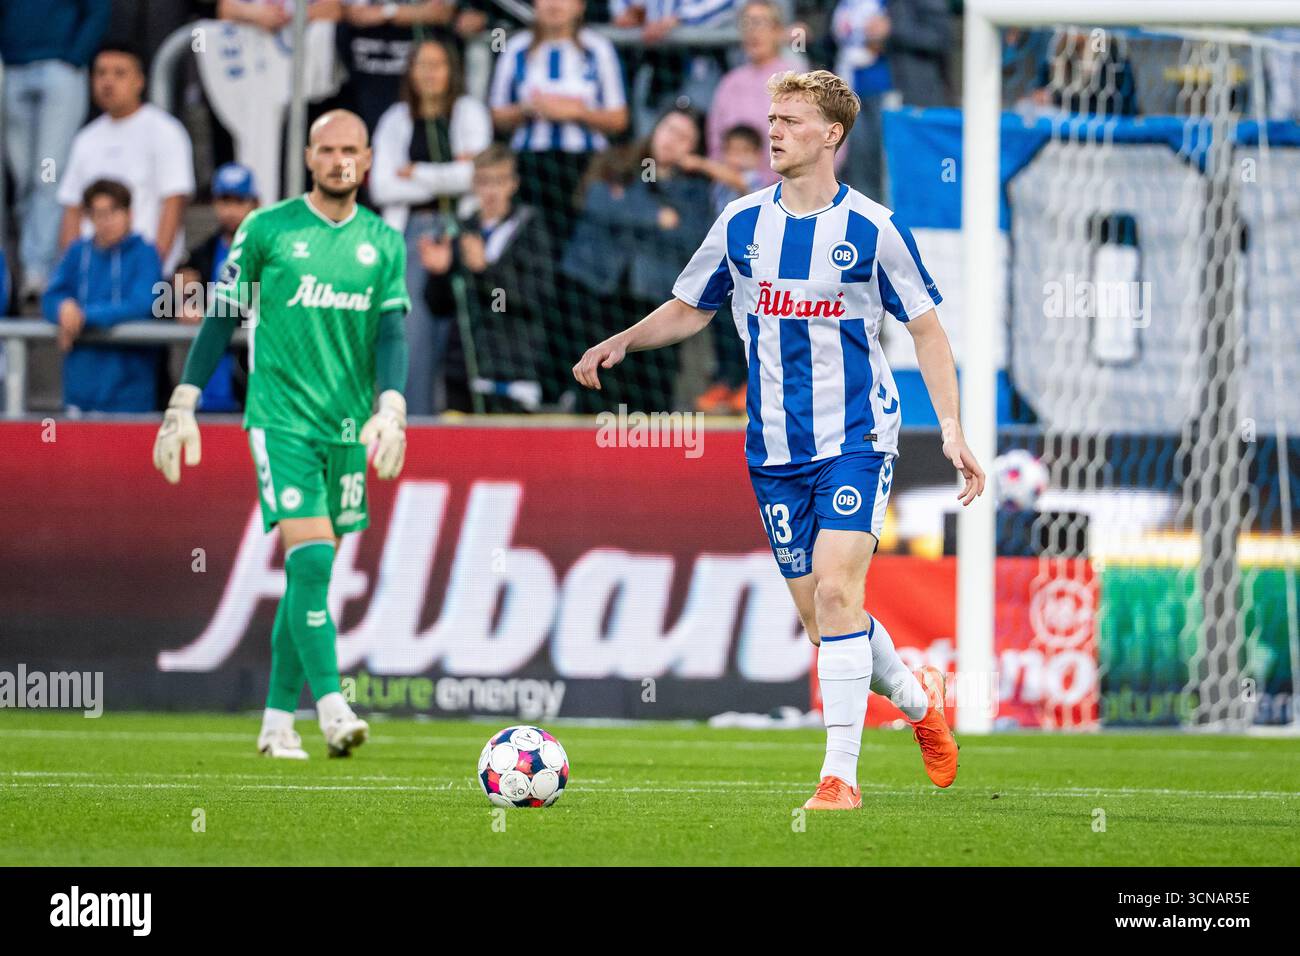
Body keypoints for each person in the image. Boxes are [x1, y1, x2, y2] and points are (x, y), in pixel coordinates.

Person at [572, 70, 983, 808]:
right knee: (826, 622)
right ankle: (921, 704)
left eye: (791, 120)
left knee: (837, 589)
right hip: (773, 452)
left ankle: (840, 779)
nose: (774, 130)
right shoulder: (740, 225)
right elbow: (690, 307)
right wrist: (623, 344)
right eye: (772, 118)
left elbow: (926, 329)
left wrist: (951, 427)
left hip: (857, 436)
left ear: (832, 135)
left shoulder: (875, 229)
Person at [151, 110, 411, 760]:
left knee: (309, 577)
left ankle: (274, 723)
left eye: (352, 149)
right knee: (315, 558)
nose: (340, 160)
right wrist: (184, 398)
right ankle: (330, 708)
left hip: (349, 428)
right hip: (280, 420)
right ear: (309, 156)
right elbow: (223, 314)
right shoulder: (268, 230)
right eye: (328, 149)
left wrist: (394, 405)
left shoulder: (383, 241)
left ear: (368, 158)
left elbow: (390, 332)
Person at [371, 35, 491, 414]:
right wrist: (450, 172)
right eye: (421, 64)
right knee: (414, 336)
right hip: (413, 234)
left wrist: (416, 172)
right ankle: (414, 424)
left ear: (451, 70)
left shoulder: (470, 112)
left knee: (462, 336)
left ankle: (466, 427)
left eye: (437, 64)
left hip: (462, 229)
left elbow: (476, 176)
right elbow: (381, 185)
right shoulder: (395, 119)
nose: (429, 73)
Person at [562, 107, 711, 412]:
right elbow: (596, 202)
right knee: (595, 381)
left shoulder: (697, 190)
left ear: (694, 149)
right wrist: (658, 217)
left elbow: (695, 236)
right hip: (598, 289)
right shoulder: (616, 160)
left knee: (651, 397)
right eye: (669, 129)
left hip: (654, 301)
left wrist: (628, 210)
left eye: (684, 137)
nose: (672, 140)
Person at [419, 144, 557, 411]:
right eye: (483, 181)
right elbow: (439, 307)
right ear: (473, 184)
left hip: (516, 373)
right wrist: (439, 274)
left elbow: (536, 297)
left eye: (499, 181)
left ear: (513, 184)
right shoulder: (461, 229)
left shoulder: (531, 227)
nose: (491, 191)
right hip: (465, 374)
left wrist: (485, 271)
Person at [488, 0, 628, 241]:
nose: (554, 4)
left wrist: (577, 112)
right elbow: (496, 115)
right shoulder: (515, 48)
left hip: (587, 162)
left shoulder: (598, 48)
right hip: (529, 162)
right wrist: (526, 109)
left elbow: (619, 119)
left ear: (580, 6)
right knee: (536, 240)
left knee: (582, 241)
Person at [0, 0, 108, 303]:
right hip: (13, 70)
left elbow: (98, 10)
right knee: (23, 178)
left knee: (47, 172)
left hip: (60, 71)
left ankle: (39, 268)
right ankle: (32, 260)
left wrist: (74, 57)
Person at [57, 44, 196, 276]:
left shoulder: (166, 131)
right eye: (101, 73)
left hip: (144, 276)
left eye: (119, 73)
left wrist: (151, 271)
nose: (108, 82)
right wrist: (73, 273)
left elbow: (173, 204)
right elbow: (72, 209)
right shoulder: (84, 139)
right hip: (93, 279)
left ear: (139, 81)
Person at [42, 179, 163, 414]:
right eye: (98, 213)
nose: (106, 221)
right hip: (80, 390)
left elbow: (143, 304)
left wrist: (83, 316)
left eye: (113, 212)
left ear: (129, 213)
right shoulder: (77, 252)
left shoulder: (146, 254)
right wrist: (62, 307)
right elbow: (51, 296)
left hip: (131, 393)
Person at [174, 163, 263, 412]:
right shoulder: (202, 253)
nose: (231, 210)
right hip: (208, 382)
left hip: (252, 380)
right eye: (224, 201)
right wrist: (187, 299)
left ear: (255, 203)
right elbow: (180, 288)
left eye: (239, 201)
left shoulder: (267, 252)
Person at [705, 0, 802, 190]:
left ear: (777, 31)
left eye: (761, 23)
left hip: (790, 190)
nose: (753, 31)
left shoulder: (798, 78)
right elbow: (715, 144)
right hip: (734, 190)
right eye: (747, 24)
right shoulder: (729, 83)